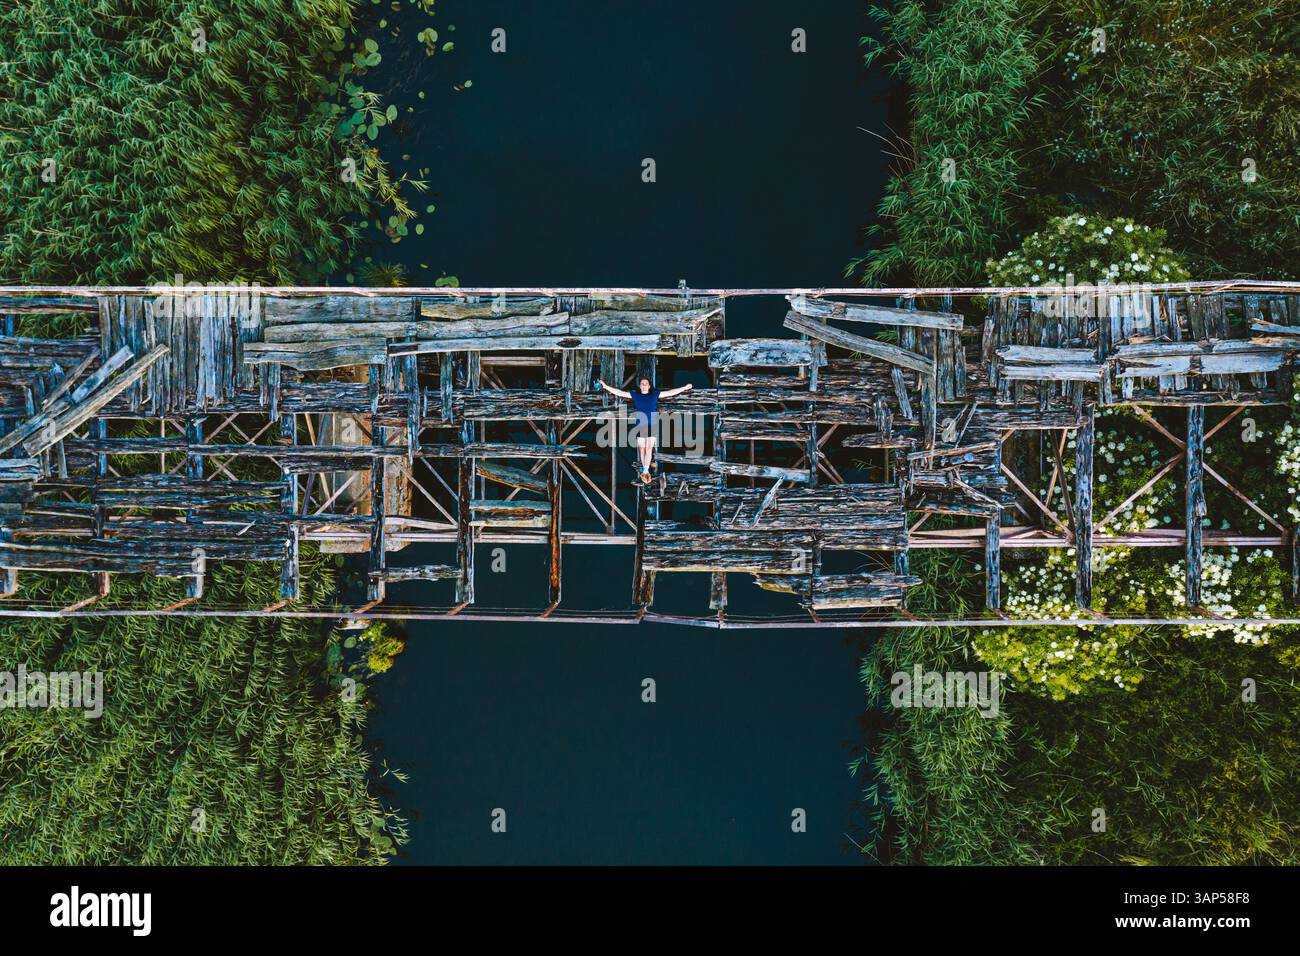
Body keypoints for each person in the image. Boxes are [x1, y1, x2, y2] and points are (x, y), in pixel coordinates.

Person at [597, 376, 694, 484]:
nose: (643, 385)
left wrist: (684, 388)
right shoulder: (636, 395)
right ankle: (646, 470)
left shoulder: (654, 394)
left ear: (649, 386)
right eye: (642, 384)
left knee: (648, 448)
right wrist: (605, 386)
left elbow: (670, 392)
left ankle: (646, 470)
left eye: (645, 384)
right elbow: (619, 393)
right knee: (642, 449)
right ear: (640, 386)